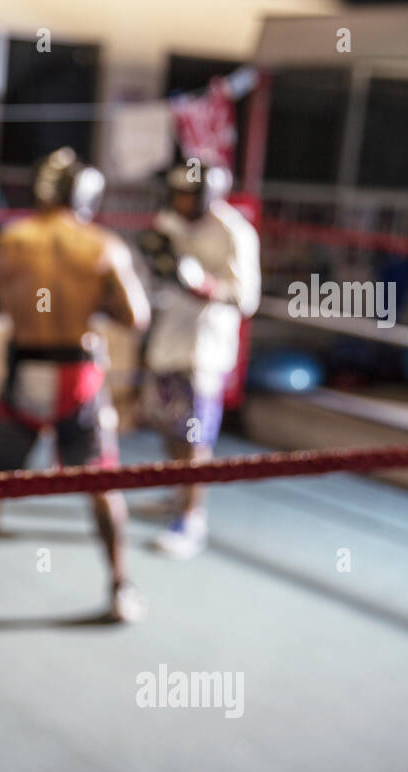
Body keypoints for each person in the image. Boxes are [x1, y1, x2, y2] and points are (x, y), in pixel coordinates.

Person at [0, 147, 151, 626]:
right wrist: (93, 302)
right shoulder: (102, 246)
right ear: (86, 195)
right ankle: (120, 590)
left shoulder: (9, 241)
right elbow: (136, 317)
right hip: (78, 375)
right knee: (102, 483)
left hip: (24, 370)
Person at [140, 162, 260, 558]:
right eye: (177, 194)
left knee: (195, 436)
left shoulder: (235, 232)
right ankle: (178, 495)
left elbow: (247, 299)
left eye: (189, 196)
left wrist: (205, 285)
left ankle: (192, 519)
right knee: (169, 424)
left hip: (203, 350)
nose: (181, 202)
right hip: (167, 340)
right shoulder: (168, 221)